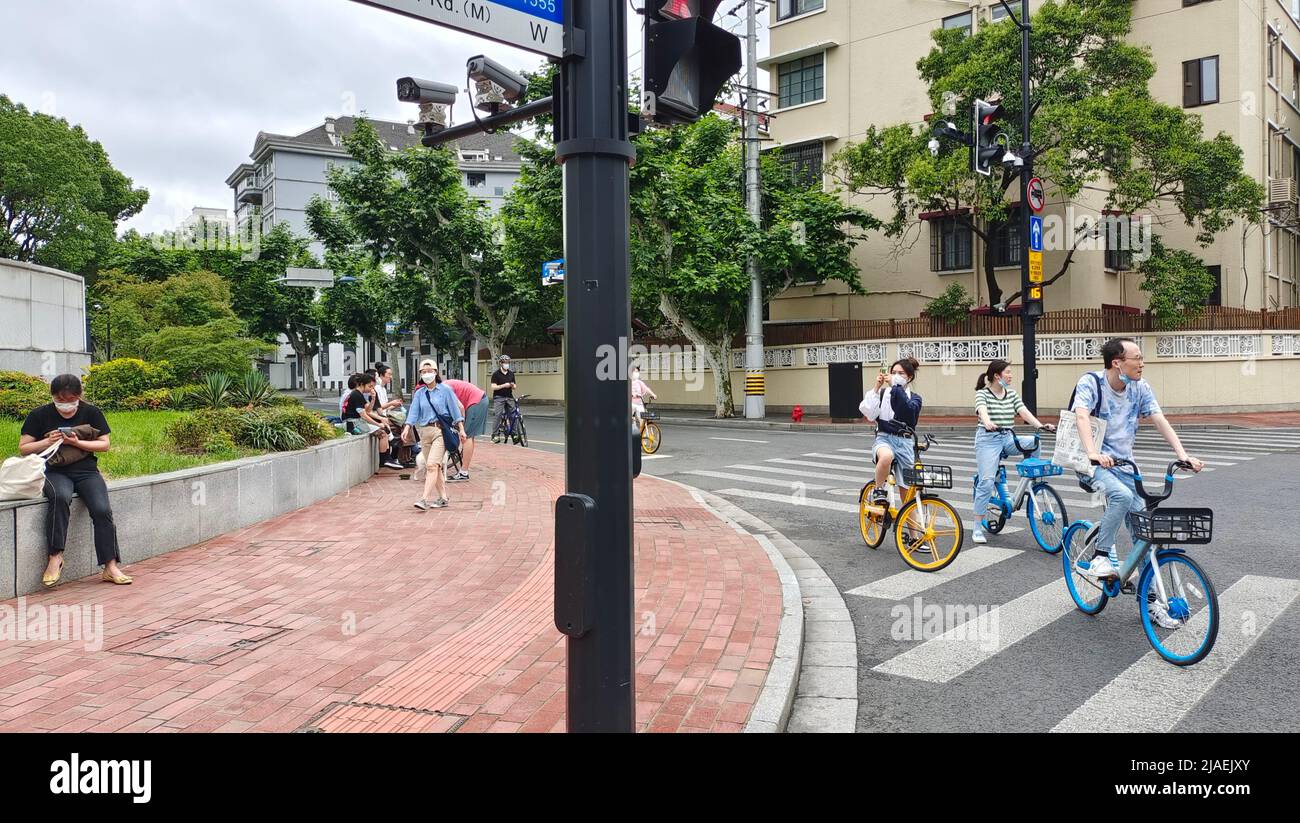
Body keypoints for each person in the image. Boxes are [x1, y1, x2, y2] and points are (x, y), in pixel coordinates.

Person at [1072, 338, 1204, 605]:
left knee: (1144, 533)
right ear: (1117, 362)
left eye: (1142, 359)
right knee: (1120, 496)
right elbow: (1082, 416)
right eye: (1137, 358)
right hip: (1091, 463)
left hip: (1124, 466)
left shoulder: (1139, 387)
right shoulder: (1090, 383)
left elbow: (1159, 419)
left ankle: (1151, 600)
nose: (1142, 364)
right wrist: (1092, 453)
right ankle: (1099, 556)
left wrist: (1183, 455)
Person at [17, 374, 132, 587]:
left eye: (71, 400)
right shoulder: (39, 415)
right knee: (60, 497)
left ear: (79, 396)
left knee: (101, 509)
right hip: (54, 470)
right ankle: (55, 556)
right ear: (52, 397)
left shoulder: (91, 412)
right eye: (60, 400)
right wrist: (46, 441)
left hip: (86, 470)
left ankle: (110, 565)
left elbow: (104, 444)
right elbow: (24, 448)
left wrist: (78, 442)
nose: (66, 405)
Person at [970, 359, 1056, 544]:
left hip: (1008, 437)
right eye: (1007, 373)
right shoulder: (982, 394)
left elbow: (1024, 412)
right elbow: (982, 410)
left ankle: (1031, 482)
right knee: (986, 482)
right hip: (988, 439)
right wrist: (987, 422)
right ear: (996, 376)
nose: (1010, 376)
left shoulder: (1012, 394)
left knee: (1034, 442)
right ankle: (977, 527)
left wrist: (1041, 426)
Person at [860, 357, 922, 506]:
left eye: (900, 373)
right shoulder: (882, 393)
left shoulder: (915, 398)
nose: (895, 376)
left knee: (908, 496)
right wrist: (876, 387)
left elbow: (906, 412)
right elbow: (869, 413)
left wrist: (895, 387)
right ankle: (878, 489)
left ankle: (914, 530)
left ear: (909, 377)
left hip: (905, 442)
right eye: (893, 372)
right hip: (884, 438)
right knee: (886, 457)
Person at [407, 361, 466, 510]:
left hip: (440, 431)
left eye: (429, 371)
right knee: (436, 468)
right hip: (424, 432)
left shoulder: (445, 390)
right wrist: (407, 427)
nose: (427, 374)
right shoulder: (420, 393)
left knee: (432, 465)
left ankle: (424, 499)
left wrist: (461, 429)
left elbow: (455, 410)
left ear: (436, 372)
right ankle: (443, 498)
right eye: (423, 372)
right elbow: (413, 412)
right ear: (420, 374)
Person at [343, 372, 400, 469]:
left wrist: (373, 398)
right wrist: (378, 424)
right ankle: (384, 459)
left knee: (384, 429)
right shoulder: (356, 395)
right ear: (362, 384)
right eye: (370, 386)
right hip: (353, 424)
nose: (371, 389)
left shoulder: (359, 394)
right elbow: (364, 415)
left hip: (356, 422)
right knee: (382, 433)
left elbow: (368, 410)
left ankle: (387, 457)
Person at [442, 375, 488, 482]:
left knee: (467, 436)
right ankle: (464, 470)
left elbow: (460, 407)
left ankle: (464, 473)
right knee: (468, 436)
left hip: (476, 401)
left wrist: (461, 424)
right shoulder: (443, 385)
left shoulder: (444, 388)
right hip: (478, 399)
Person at [490, 355, 517, 436]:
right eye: (505, 362)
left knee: (513, 415)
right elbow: (493, 387)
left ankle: (514, 433)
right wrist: (503, 385)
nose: (507, 364)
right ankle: (495, 435)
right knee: (497, 415)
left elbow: (515, 386)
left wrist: (512, 385)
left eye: (508, 363)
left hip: (509, 397)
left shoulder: (511, 374)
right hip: (499, 397)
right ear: (501, 363)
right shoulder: (496, 374)